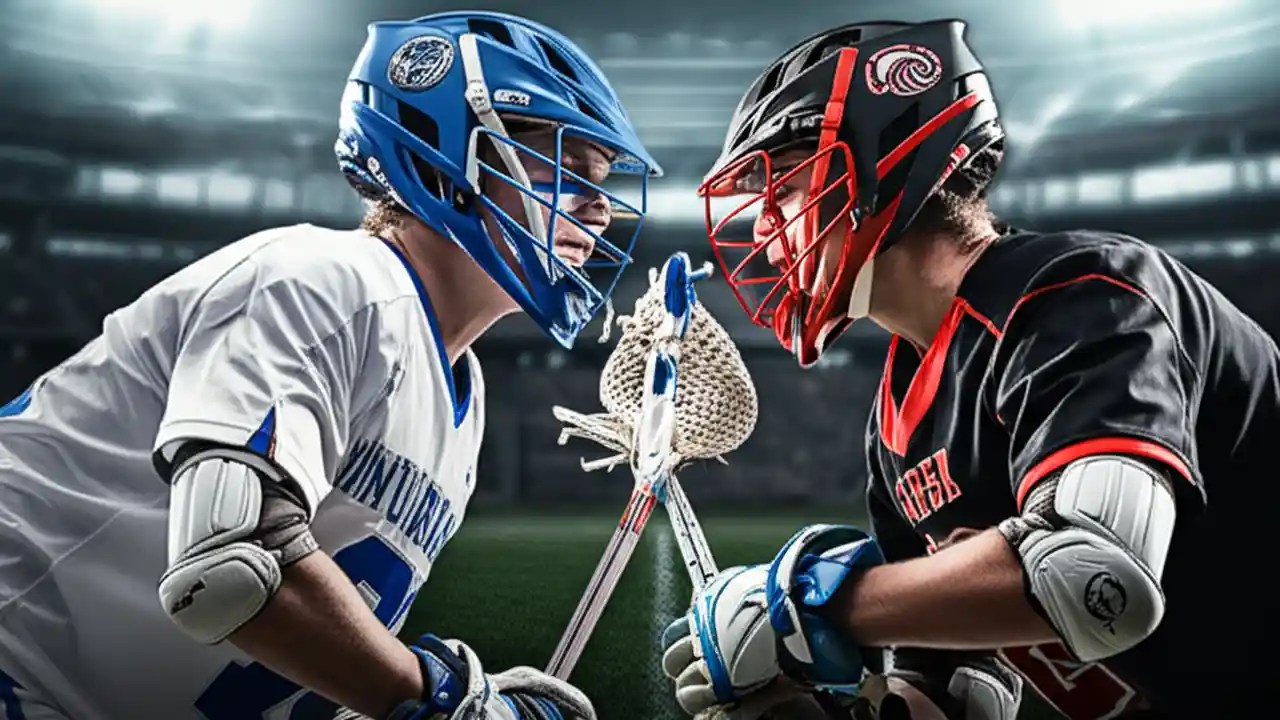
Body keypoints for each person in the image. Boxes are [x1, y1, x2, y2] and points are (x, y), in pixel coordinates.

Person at [0, 11, 660, 720]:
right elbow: (230, 569)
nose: (598, 207)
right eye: (563, 165)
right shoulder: (325, 281)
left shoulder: (457, 397)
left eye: (602, 179)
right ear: (449, 155)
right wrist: (440, 702)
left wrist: (456, 699)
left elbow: (304, 667)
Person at [661, 17, 1272, 720]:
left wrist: (815, 606)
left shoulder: (1087, 294)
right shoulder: (892, 428)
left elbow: (1099, 582)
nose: (765, 230)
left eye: (786, 188)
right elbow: (950, 698)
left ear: (879, 156)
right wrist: (800, 700)